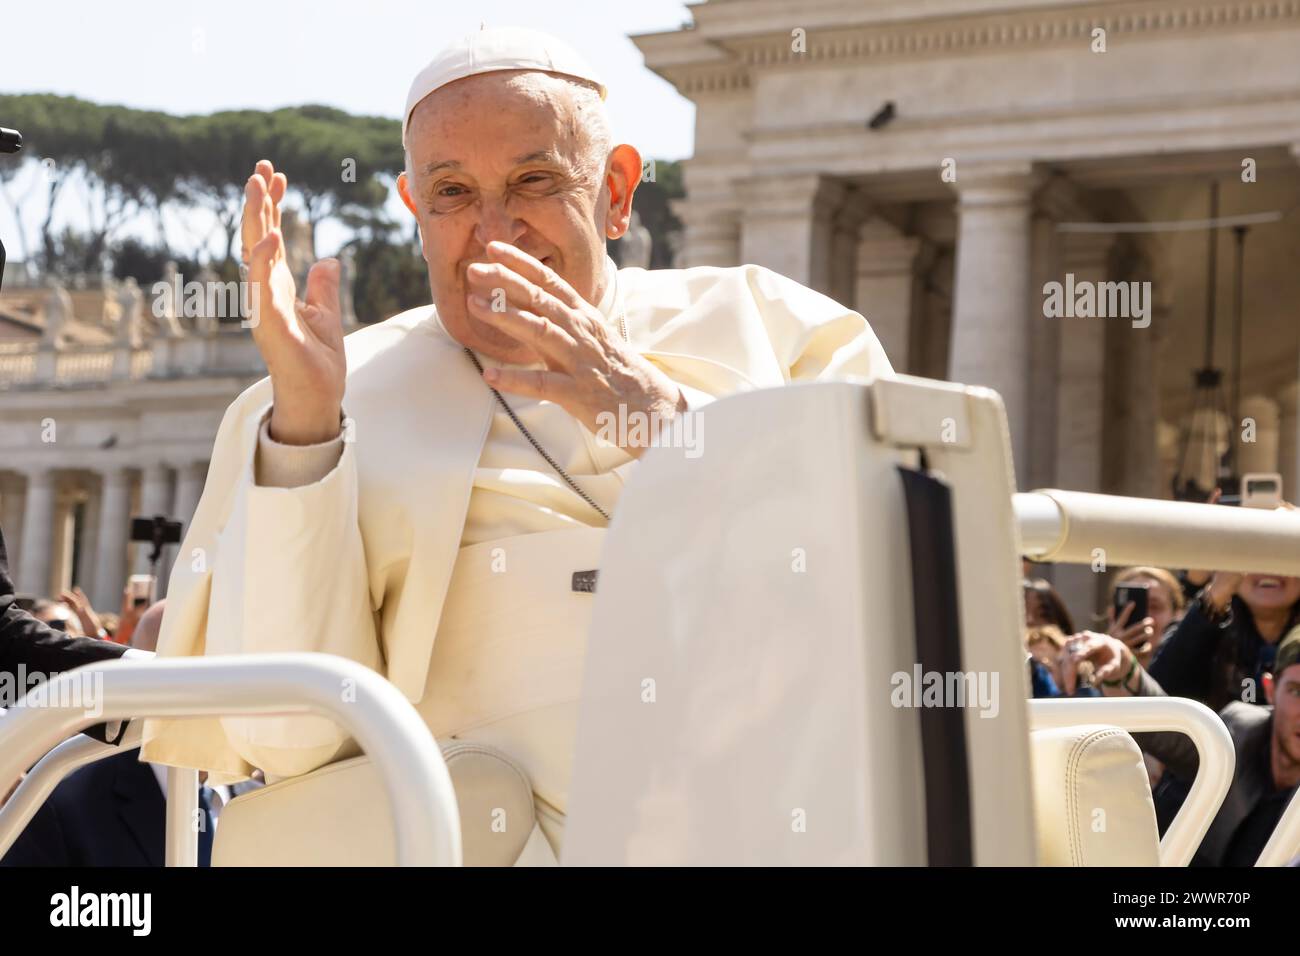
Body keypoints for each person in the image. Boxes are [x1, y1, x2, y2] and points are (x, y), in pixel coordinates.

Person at [138, 26, 894, 859]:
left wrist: (658, 416)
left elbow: (903, 579)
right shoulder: (329, 393)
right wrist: (308, 438)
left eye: (532, 180)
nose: (494, 233)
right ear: (413, 209)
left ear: (616, 189)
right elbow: (287, 738)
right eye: (452, 194)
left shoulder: (778, 328)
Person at [1062, 627, 1300, 866]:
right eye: (1296, 691)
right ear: (1270, 690)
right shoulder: (1241, 729)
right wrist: (1123, 670)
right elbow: (1171, 733)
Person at [1148, 568, 1300, 711]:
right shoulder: (1199, 624)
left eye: (1281, 554)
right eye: (1255, 555)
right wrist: (1213, 602)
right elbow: (1160, 698)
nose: (1268, 571)